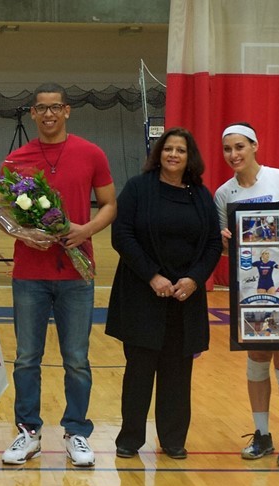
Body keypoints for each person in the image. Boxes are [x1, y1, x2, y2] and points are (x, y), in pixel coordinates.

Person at [0, 83, 116, 467]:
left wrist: (86, 230)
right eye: (41, 108)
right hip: (29, 275)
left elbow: (109, 204)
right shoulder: (15, 161)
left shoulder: (91, 153)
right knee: (27, 358)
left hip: (77, 275)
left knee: (77, 359)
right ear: (32, 113)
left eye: (55, 107)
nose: (48, 114)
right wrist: (22, 234)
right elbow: (2, 215)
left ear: (67, 110)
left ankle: (76, 432)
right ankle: (28, 432)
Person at [105, 128, 221, 461]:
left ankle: (172, 439)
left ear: (189, 157)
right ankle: (130, 438)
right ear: (159, 153)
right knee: (139, 372)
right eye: (168, 149)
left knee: (178, 373)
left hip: (184, 298)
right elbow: (122, 235)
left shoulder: (201, 195)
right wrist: (152, 276)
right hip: (143, 295)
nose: (173, 155)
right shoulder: (138, 188)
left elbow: (214, 243)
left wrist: (194, 279)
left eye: (180, 150)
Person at [214, 122, 279, 468]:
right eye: (227, 149)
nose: (233, 154)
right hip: (251, 287)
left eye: (240, 146)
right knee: (256, 356)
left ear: (255, 145)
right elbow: (228, 250)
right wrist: (224, 243)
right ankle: (262, 434)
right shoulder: (224, 194)